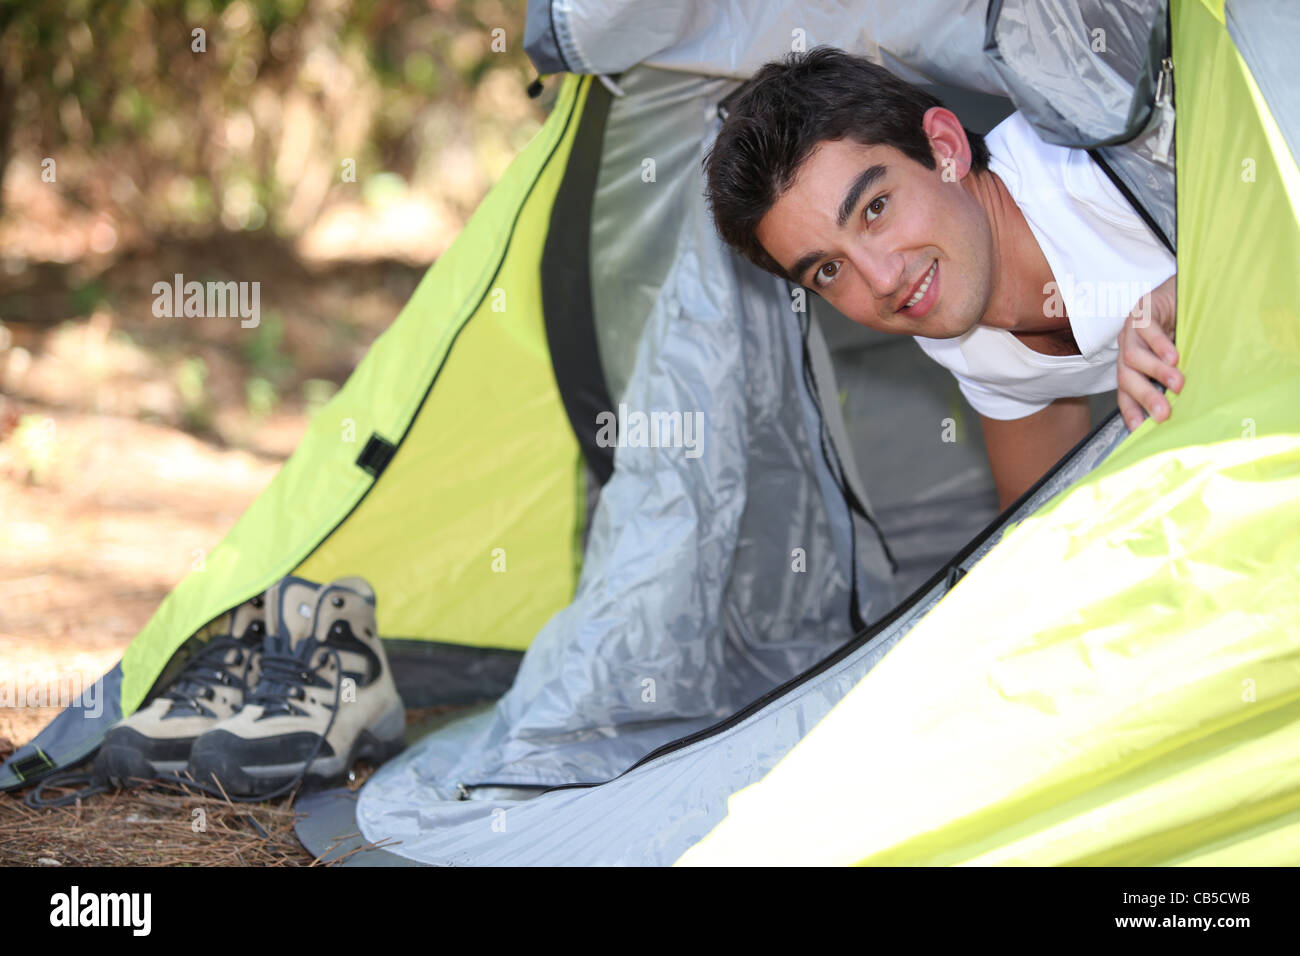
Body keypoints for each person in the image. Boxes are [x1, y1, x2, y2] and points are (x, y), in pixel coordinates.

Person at [704, 48, 1182, 510]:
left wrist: (1186, 294)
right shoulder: (955, 334)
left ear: (945, 150)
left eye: (875, 208)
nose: (884, 280)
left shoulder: (1107, 158)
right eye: (829, 270)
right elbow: (1034, 519)